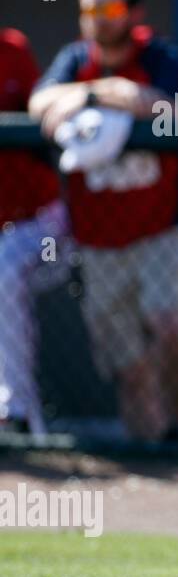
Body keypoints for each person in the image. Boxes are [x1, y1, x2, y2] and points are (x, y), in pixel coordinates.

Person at [28, 0, 178, 443]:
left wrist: (133, 98)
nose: (99, 20)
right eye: (89, 10)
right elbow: (40, 103)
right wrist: (99, 93)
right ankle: (148, 458)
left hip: (162, 227)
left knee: (167, 322)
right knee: (128, 362)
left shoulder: (159, 55)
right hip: (99, 238)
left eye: (110, 9)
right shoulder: (74, 60)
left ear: (134, 13)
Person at [0, 27, 70, 435]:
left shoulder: (12, 48)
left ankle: (18, 414)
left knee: (4, 274)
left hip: (39, 222)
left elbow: (40, 108)